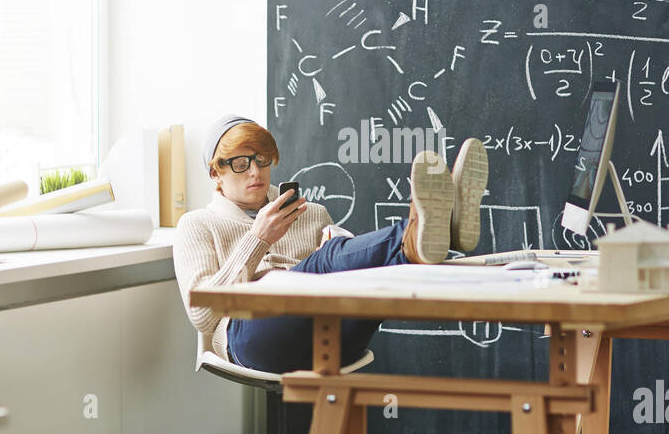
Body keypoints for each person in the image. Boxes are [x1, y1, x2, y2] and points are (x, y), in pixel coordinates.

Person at [172, 115, 489, 374]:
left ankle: (429, 234)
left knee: (368, 281)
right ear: (216, 172)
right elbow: (201, 315)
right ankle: (423, 234)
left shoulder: (311, 213)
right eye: (241, 163)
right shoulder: (197, 224)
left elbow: (342, 267)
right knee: (323, 262)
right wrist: (258, 239)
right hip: (253, 339)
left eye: (262, 159)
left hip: (334, 339)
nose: (255, 171)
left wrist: (341, 243)